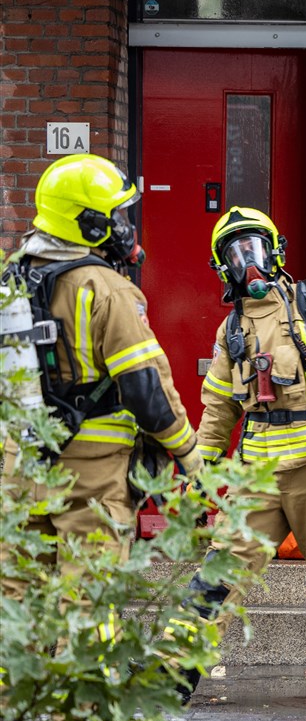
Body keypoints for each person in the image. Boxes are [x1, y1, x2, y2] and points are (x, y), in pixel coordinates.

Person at [182, 206, 306, 711]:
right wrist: (200, 470)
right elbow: (218, 408)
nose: (247, 263)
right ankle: (173, 671)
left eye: (254, 249)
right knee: (217, 575)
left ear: (275, 252)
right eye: (235, 254)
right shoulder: (230, 333)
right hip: (256, 475)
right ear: (222, 267)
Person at [1, 154, 201, 572]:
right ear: (88, 223)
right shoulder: (105, 289)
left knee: (18, 613)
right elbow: (147, 390)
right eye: (115, 216)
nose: (124, 227)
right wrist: (190, 456)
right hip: (90, 473)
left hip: (22, 468)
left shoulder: (10, 279)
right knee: (88, 609)